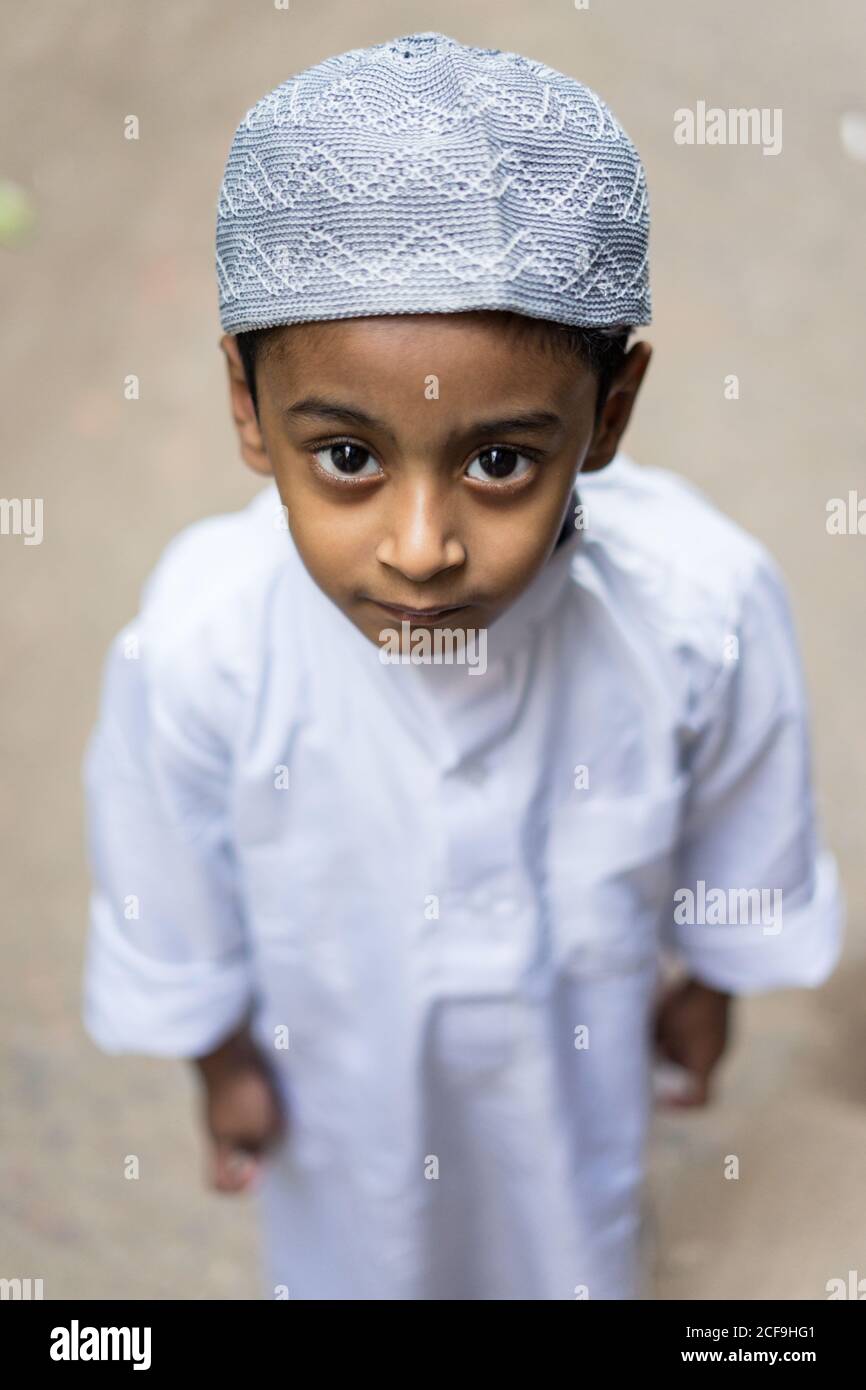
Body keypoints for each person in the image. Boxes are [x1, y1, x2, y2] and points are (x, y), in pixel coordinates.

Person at [81, 31, 844, 1300]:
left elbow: (741, 829)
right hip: (340, 1092)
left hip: (578, 1075)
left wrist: (710, 984)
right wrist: (220, 1062)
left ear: (607, 415)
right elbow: (170, 881)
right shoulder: (203, 645)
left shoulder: (697, 610)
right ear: (243, 403)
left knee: (572, 1245)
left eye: (498, 461)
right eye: (347, 457)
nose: (422, 548)